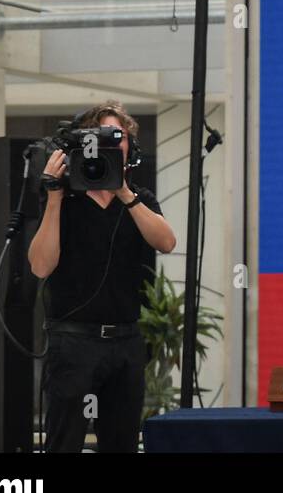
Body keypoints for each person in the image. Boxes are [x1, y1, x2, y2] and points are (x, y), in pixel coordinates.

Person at [27, 100, 176, 453]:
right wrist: (53, 197)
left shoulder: (139, 199)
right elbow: (40, 266)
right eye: (103, 137)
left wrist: (123, 191)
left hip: (125, 339)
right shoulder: (66, 200)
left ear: (130, 147)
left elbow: (167, 241)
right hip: (73, 340)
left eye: (118, 137)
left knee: (122, 442)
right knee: (64, 441)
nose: (112, 144)